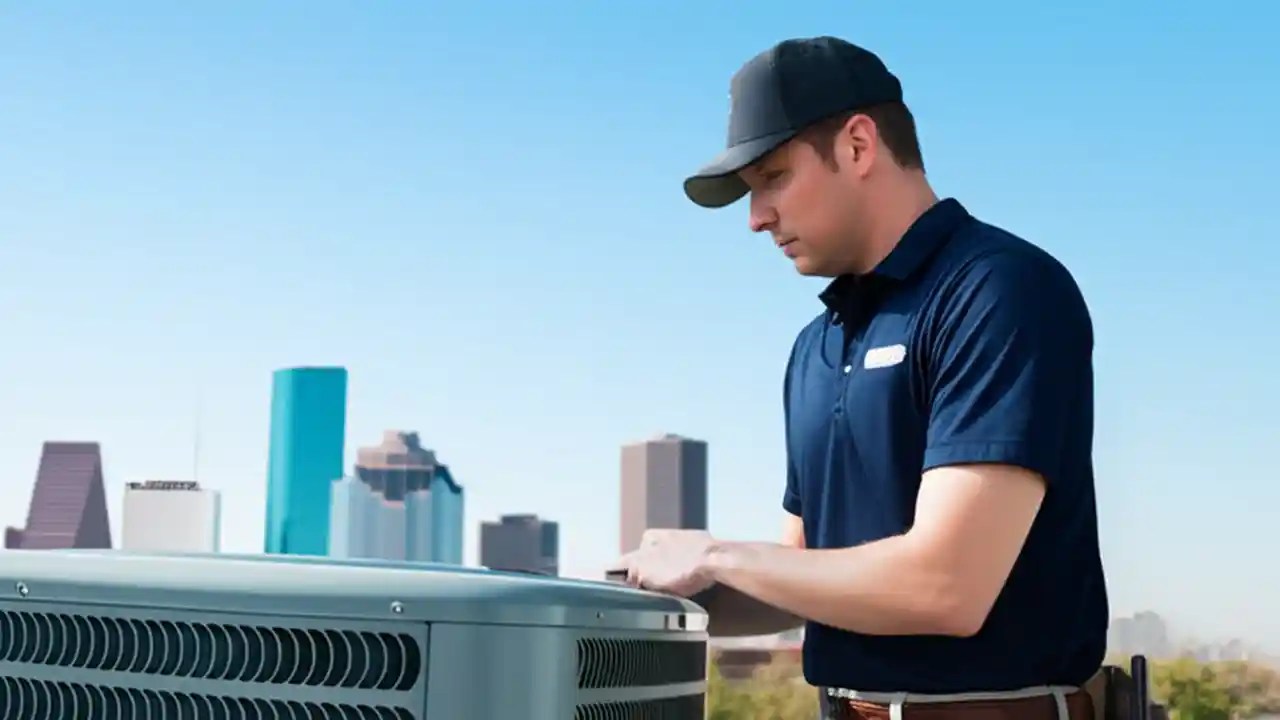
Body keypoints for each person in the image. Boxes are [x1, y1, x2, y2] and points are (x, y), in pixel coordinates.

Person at [615, 36, 1109, 720]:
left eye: (772, 178)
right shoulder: (814, 349)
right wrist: (628, 593)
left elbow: (946, 588)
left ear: (857, 146)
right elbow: (798, 577)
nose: (756, 219)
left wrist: (717, 553)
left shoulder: (1000, 291)